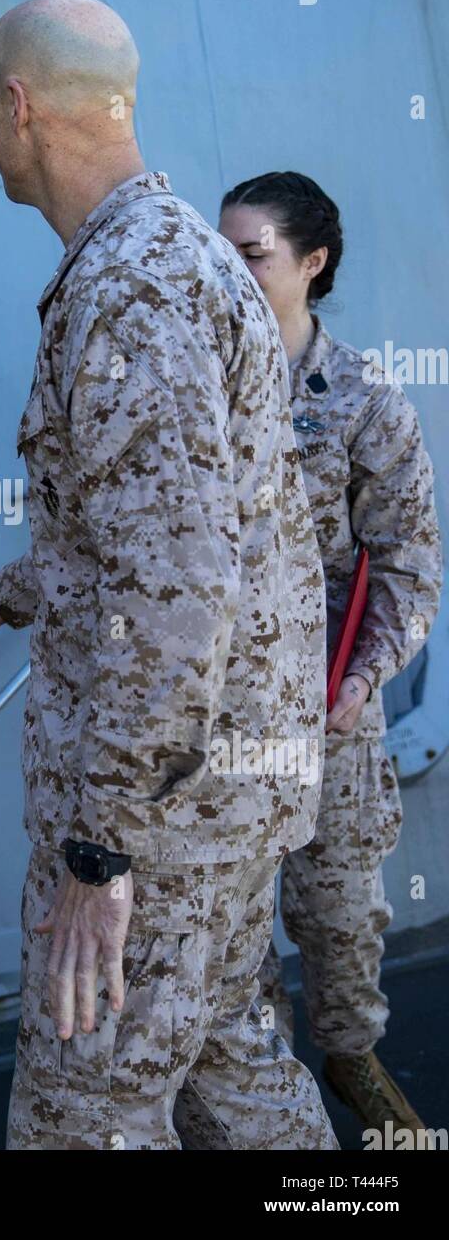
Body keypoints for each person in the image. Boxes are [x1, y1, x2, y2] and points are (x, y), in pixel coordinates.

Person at [0, 0, 339, 1149]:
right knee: (239, 1079)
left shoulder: (130, 285)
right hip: (229, 797)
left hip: (165, 824)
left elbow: (176, 591)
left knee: (83, 1122)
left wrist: (100, 852)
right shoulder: (188, 255)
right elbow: (164, 536)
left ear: (20, 107)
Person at [219, 172, 442, 1138]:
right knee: (227, 941)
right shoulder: (197, 385)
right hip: (217, 725)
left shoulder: (363, 397)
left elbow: (409, 562)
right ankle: (265, 1113)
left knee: (342, 921)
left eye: (250, 253)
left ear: (312, 263)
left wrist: (364, 675)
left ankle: (354, 1063)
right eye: (215, 252)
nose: (226, 272)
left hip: (328, 720)